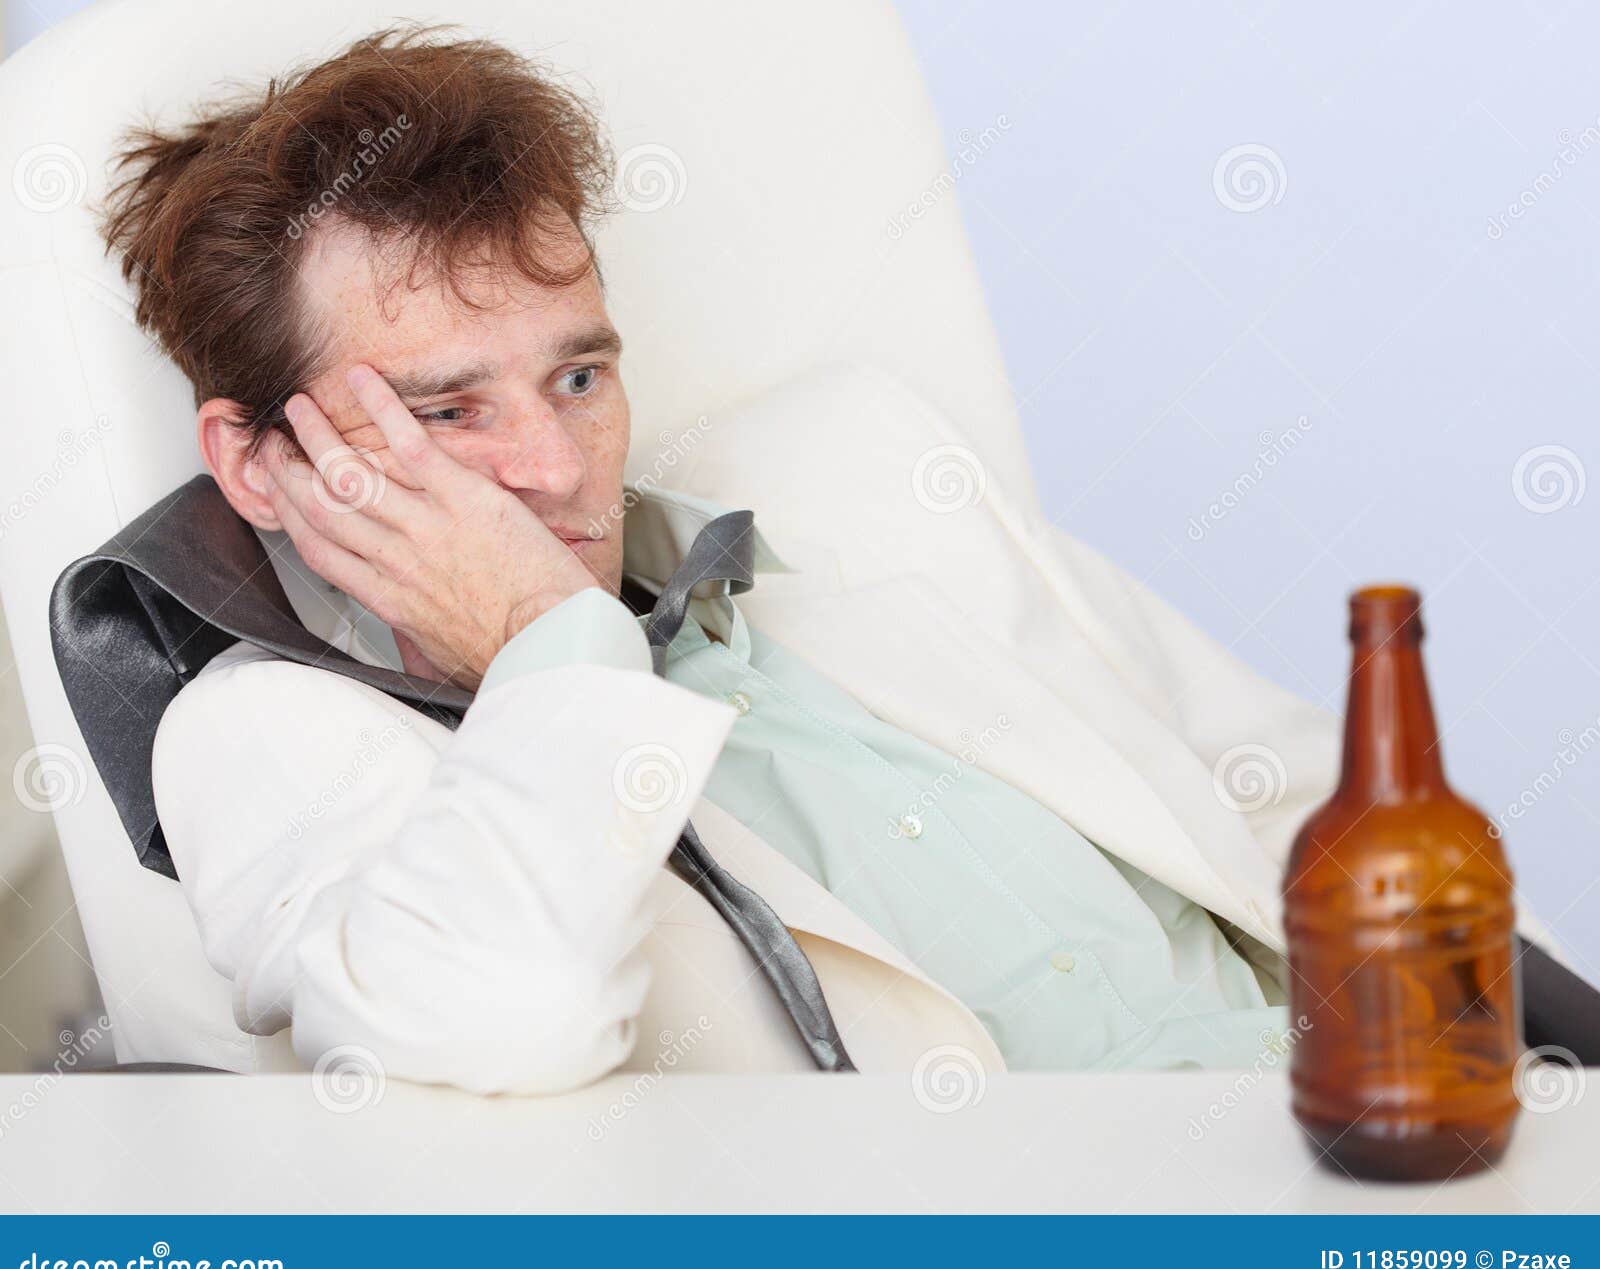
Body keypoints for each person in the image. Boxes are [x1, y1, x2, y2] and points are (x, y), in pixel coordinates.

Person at [79, 26, 1345, 1094]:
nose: (559, 467)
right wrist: (543, 636)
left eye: (579, 376)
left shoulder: (860, 464)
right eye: (449, 412)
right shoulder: (258, 737)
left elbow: (1308, 799)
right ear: (258, 465)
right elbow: (487, 1030)